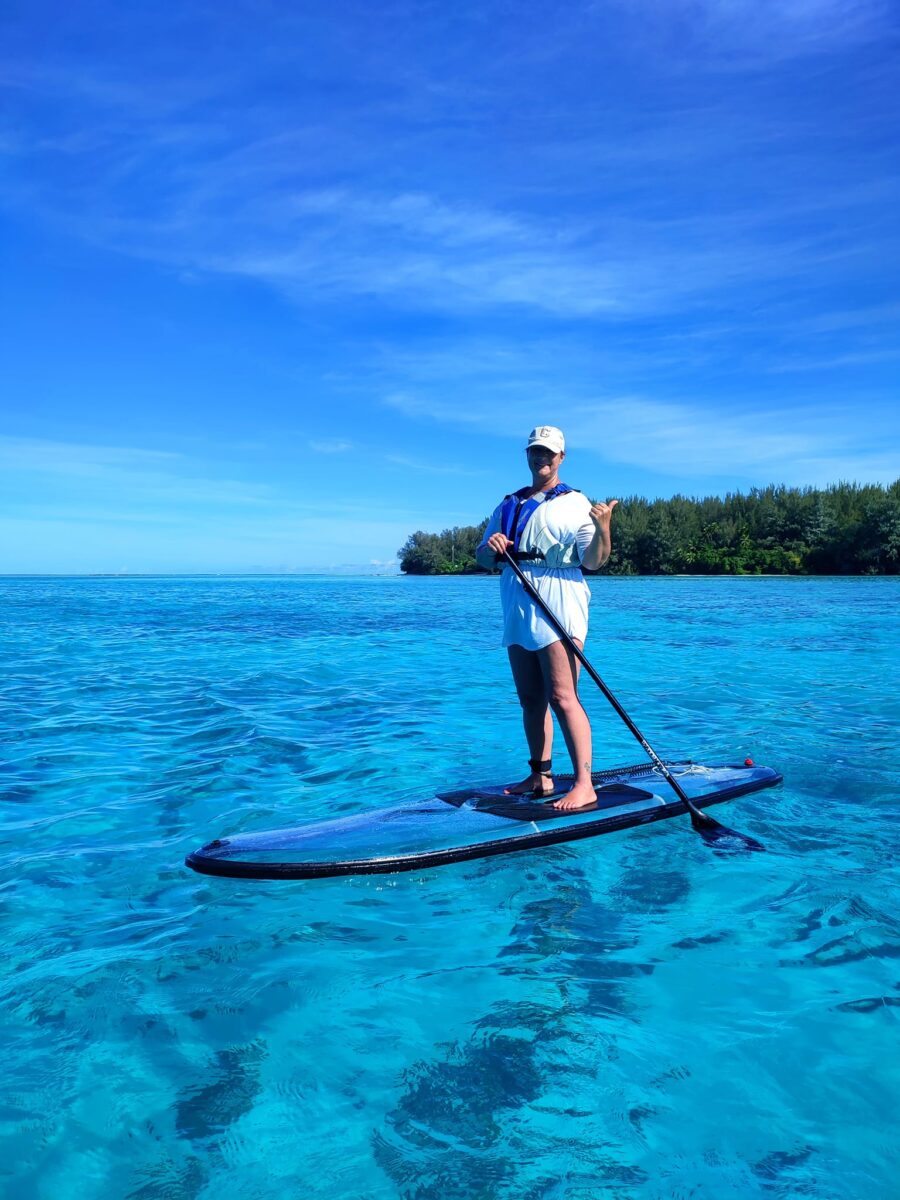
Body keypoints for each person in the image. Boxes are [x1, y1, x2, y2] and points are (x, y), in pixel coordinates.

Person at [475, 426, 618, 811]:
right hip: (517, 602)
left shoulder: (575, 503)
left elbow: (594, 561)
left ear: (561, 458)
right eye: (535, 452)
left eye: (549, 453)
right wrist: (492, 547)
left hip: (559, 600)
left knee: (562, 696)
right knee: (530, 698)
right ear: (528, 455)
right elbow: (482, 558)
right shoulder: (508, 503)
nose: (542, 459)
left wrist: (603, 528)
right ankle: (541, 775)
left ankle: (585, 784)